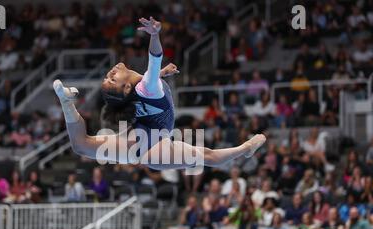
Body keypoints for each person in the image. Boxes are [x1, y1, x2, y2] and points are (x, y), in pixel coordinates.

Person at [53, 17, 266, 173]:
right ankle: (245, 148)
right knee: (208, 156)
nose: (110, 73)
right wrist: (154, 35)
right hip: (151, 144)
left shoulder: (144, 85)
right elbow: (155, 58)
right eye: (112, 79)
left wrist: (162, 72)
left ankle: (66, 102)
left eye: (108, 77)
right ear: (126, 88)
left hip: (142, 141)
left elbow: (152, 74)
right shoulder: (147, 85)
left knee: (80, 145)